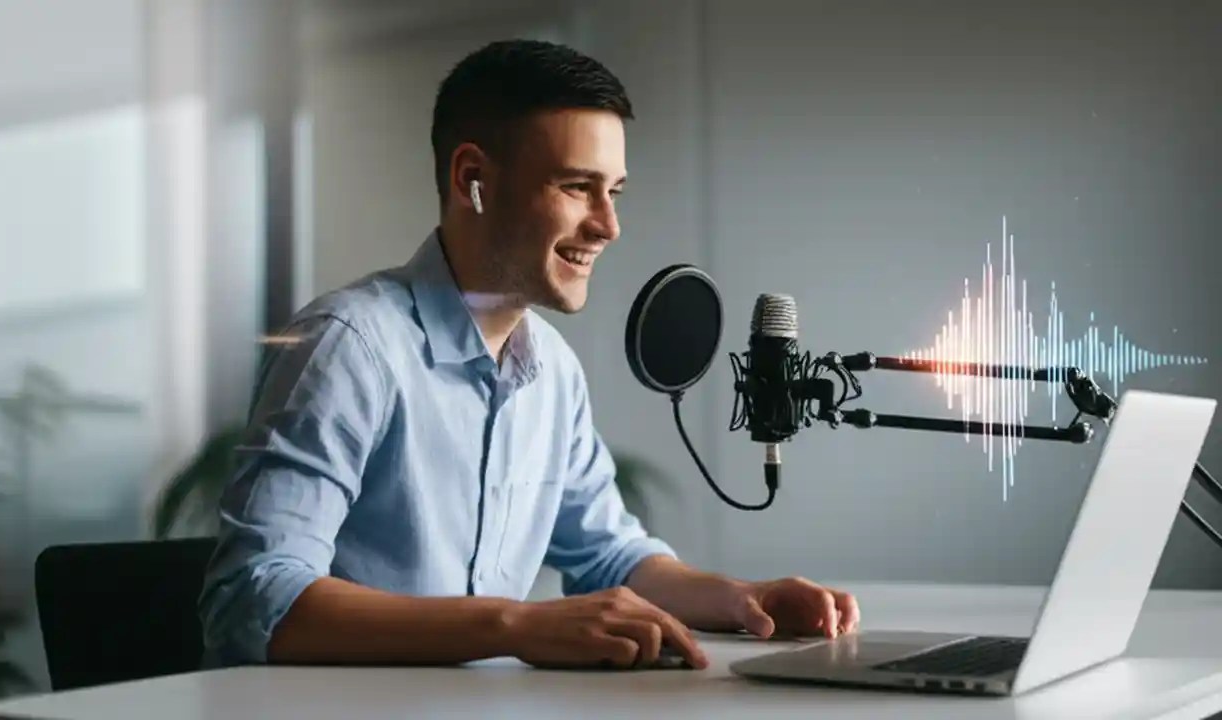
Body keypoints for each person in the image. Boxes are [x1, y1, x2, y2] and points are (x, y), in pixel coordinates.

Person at [198, 38, 860, 671]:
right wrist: (515, 625)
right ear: (473, 179)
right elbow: (256, 600)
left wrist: (740, 599)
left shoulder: (552, 369)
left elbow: (611, 556)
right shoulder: (348, 349)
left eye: (615, 191)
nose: (608, 225)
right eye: (577, 187)